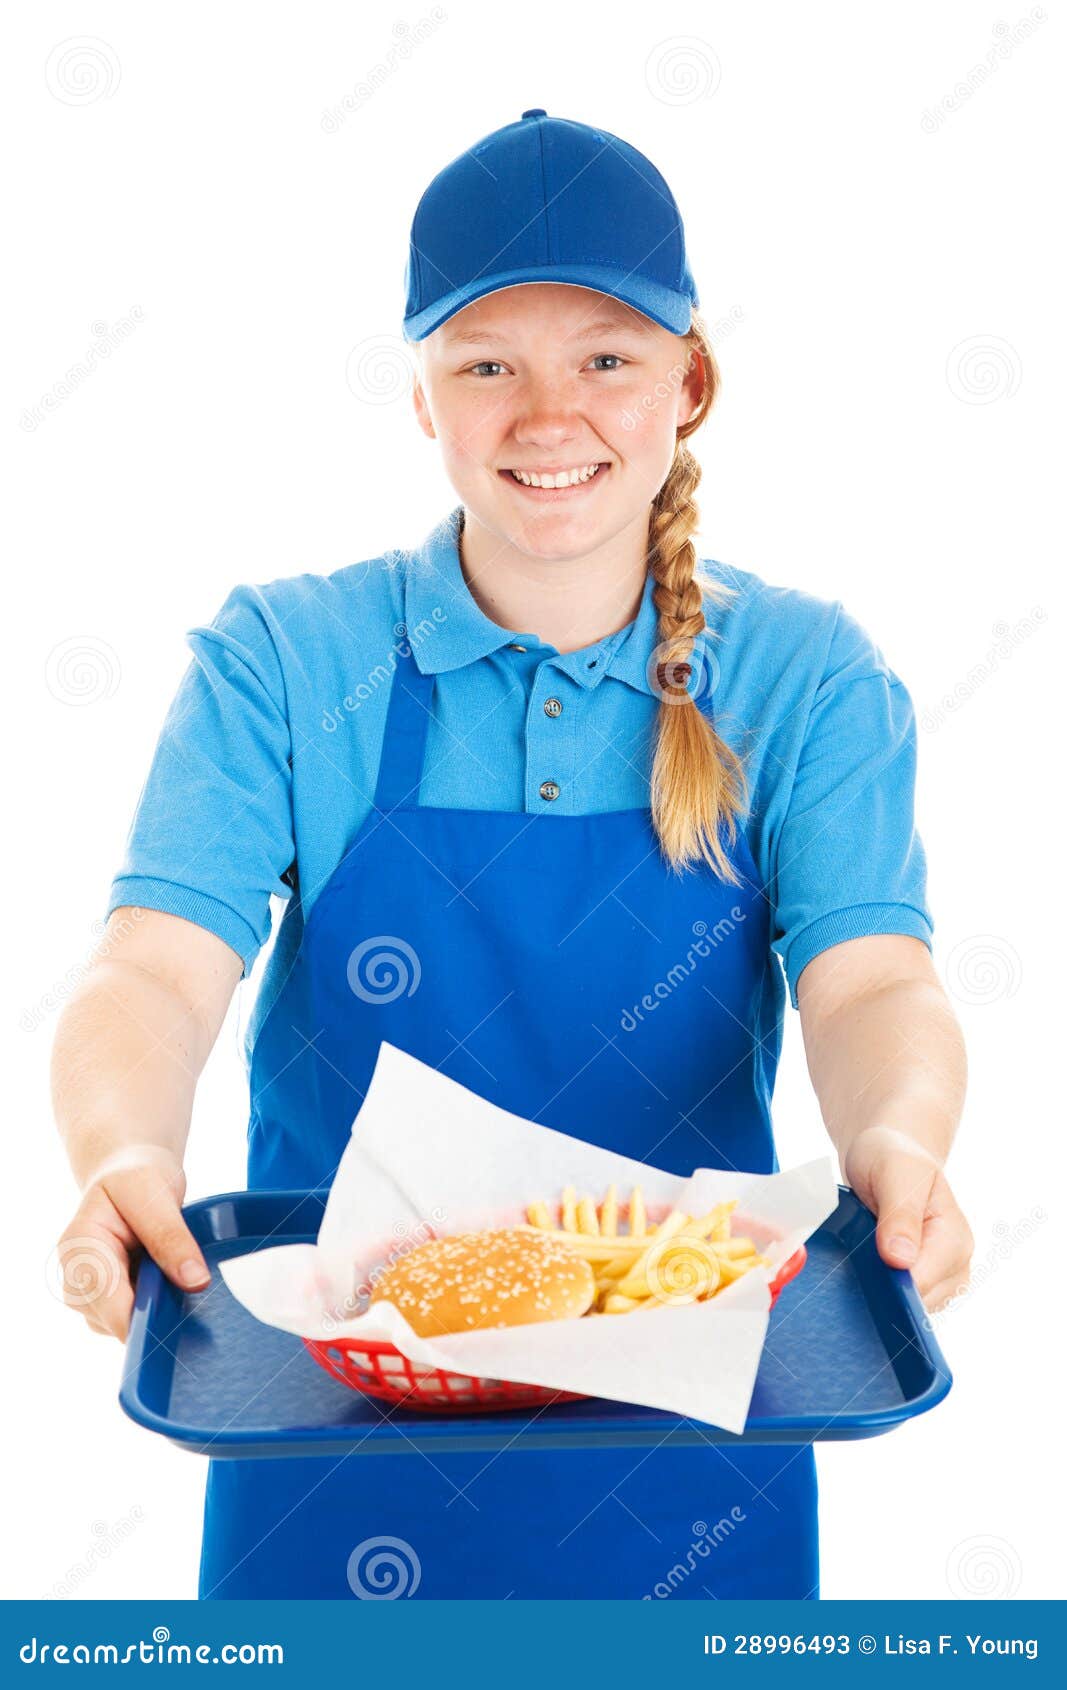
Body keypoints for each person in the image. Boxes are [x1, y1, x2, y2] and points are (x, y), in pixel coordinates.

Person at [51, 109, 972, 1600]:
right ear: (422, 399)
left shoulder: (806, 677)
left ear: (691, 382)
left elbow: (873, 987)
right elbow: (154, 969)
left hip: (692, 1451)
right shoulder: (290, 661)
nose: (551, 417)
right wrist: (124, 1154)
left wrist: (902, 1140)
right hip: (336, 1432)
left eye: (606, 358)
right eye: (488, 364)